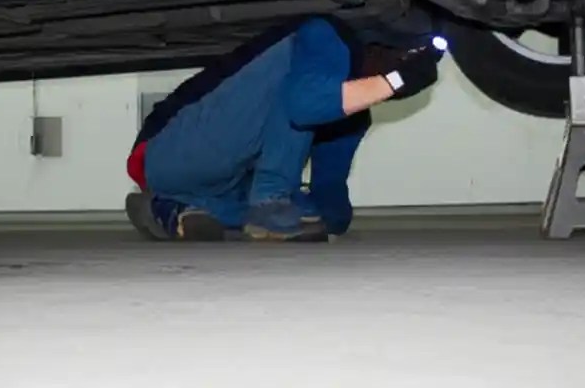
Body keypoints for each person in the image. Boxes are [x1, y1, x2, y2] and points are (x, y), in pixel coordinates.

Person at [124, 15, 444, 242]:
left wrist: (329, 217)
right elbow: (303, 106)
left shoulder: (353, 113)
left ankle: (166, 206)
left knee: (301, 212)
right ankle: (268, 199)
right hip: (162, 150)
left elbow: (331, 203)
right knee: (274, 197)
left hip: (219, 178)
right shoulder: (327, 35)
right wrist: (393, 82)